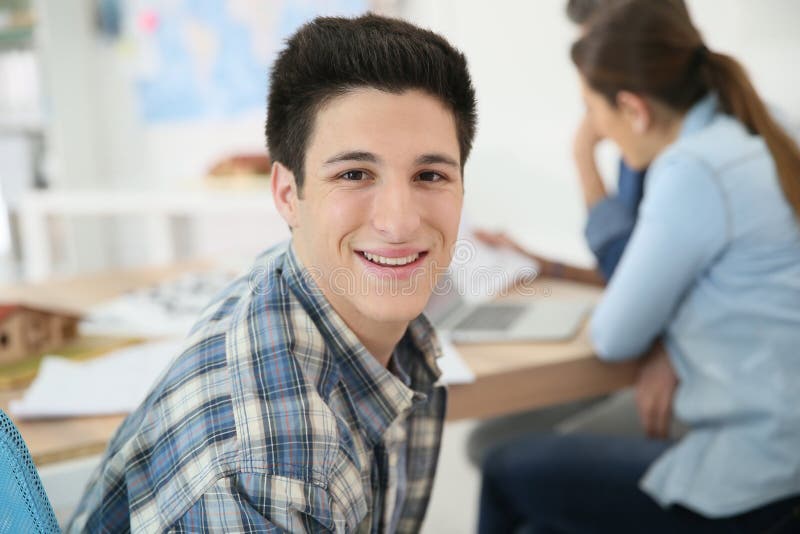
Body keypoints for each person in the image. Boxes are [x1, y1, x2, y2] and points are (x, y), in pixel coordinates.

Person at [68, 14, 477, 533]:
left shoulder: (371, 330)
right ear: (288, 194)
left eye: (430, 175)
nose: (399, 221)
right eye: (354, 174)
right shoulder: (265, 469)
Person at [479, 1, 800, 532]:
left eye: (592, 110)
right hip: (781, 452)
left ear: (633, 107)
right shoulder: (762, 130)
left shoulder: (690, 168)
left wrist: (581, 158)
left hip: (755, 476)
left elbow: (613, 335)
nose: (594, 129)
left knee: (503, 468)